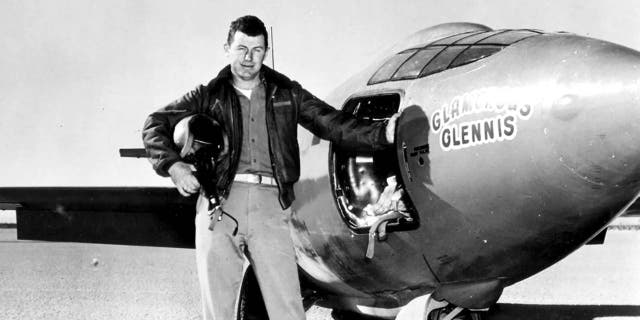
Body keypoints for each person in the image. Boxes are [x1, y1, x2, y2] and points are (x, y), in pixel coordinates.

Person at [142, 15, 398, 320]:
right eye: (241, 49)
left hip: (270, 206)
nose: (249, 58)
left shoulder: (287, 93)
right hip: (219, 204)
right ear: (227, 48)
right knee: (218, 312)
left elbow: (333, 124)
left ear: (266, 51)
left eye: (257, 50)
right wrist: (174, 167)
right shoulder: (208, 95)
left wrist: (381, 134)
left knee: (288, 310)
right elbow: (154, 124)